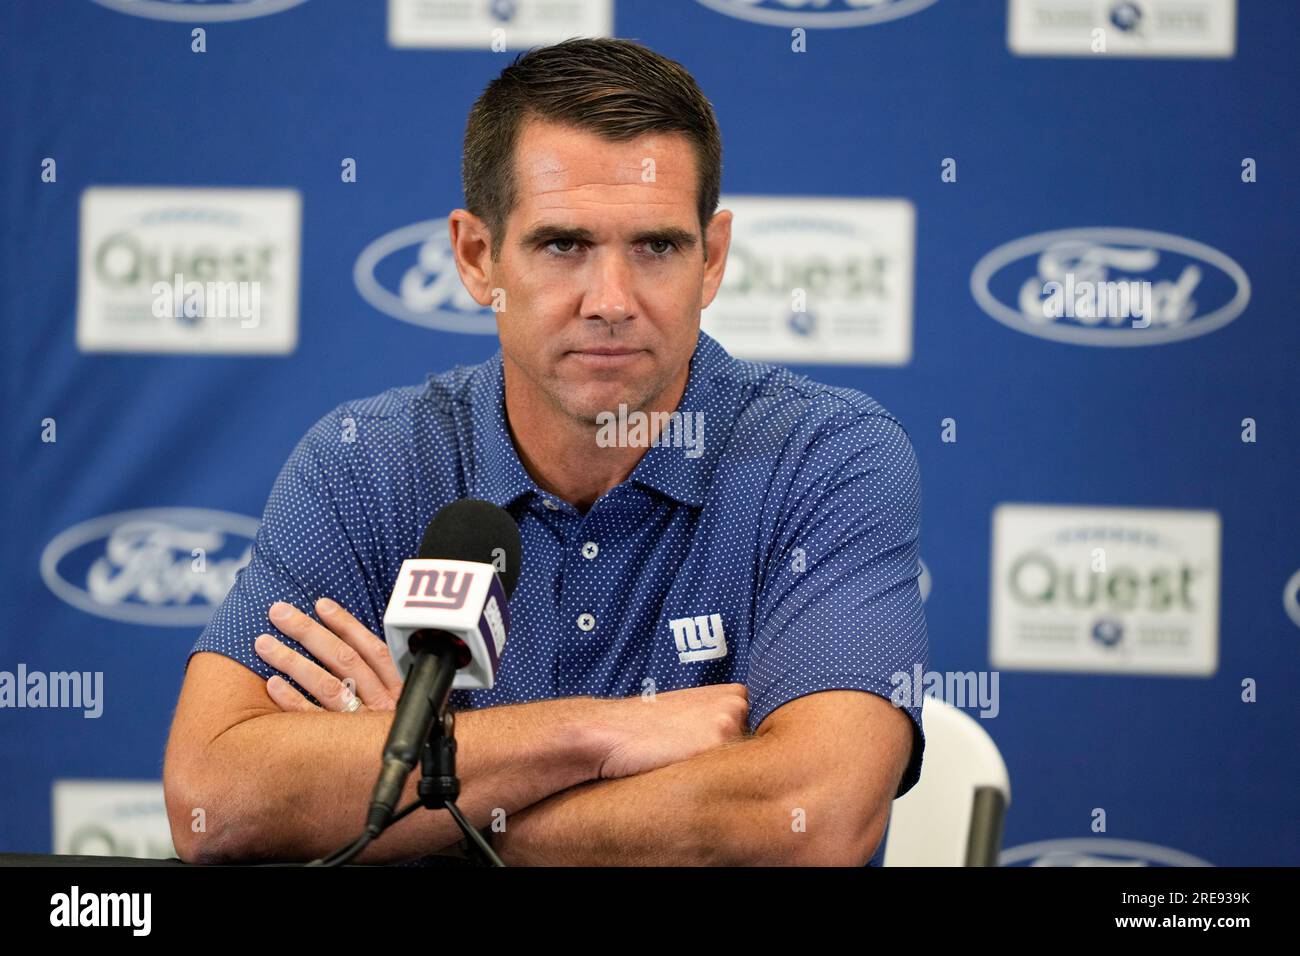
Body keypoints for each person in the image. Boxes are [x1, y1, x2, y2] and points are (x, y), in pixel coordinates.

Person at [162, 37, 928, 866]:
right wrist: (600, 734)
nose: (611, 302)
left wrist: (422, 789)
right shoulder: (362, 465)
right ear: (476, 257)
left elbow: (813, 816)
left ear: (711, 259)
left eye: (657, 247)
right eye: (563, 245)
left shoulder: (825, 457)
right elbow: (215, 800)